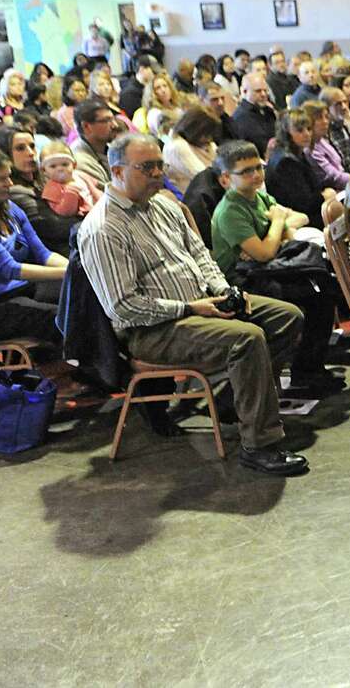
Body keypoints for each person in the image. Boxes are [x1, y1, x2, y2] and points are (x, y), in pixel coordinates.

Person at [78, 133, 308, 475]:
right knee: (246, 338)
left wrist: (224, 290)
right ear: (117, 171)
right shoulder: (103, 229)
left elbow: (200, 256)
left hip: (200, 304)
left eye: (160, 165)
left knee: (286, 316)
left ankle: (237, 402)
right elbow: (123, 307)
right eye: (148, 167)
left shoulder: (165, 206)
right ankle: (259, 445)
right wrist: (189, 309)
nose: (158, 173)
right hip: (153, 329)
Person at [209, 140, 339, 394]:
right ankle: (298, 372)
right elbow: (265, 251)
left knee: (325, 287)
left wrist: (277, 229)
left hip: (268, 268)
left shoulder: (258, 196)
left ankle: (309, 369)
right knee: (305, 299)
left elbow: (298, 218)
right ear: (226, 179)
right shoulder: (230, 211)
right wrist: (278, 221)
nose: (256, 174)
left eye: (258, 167)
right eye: (246, 171)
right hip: (241, 281)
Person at [0, 147, 68, 343]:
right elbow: (10, 269)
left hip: (18, 290)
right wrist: (70, 272)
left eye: (9, 177)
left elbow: (43, 254)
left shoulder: (10, 208)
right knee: (66, 317)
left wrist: (75, 269)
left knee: (83, 294)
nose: (9, 184)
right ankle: (103, 368)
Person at [0, 125, 81, 255]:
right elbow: (55, 227)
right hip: (56, 253)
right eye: (20, 148)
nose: (30, 153)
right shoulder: (13, 191)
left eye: (32, 146)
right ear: (5, 154)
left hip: (73, 243)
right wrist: (93, 218)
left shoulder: (46, 178)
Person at [266, 110, 335, 230]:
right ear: (287, 133)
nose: (307, 134)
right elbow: (304, 203)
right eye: (300, 130)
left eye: (309, 129)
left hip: (310, 213)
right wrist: (324, 196)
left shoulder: (295, 153)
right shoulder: (286, 162)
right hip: (301, 221)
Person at [163, 107, 220, 194]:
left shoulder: (206, 144)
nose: (209, 139)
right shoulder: (176, 146)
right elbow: (204, 176)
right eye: (206, 134)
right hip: (190, 197)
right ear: (193, 130)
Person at [39, 141, 103, 218]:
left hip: (100, 209)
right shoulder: (51, 188)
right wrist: (71, 192)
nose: (60, 169)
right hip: (81, 220)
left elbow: (96, 188)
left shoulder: (80, 176)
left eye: (65, 164)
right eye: (53, 166)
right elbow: (64, 212)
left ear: (74, 165)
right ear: (44, 171)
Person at [70, 98, 118, 186]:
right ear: (86, 126)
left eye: (113, 119)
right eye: (107, 120)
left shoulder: (109, 148)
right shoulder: (80, 161)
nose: (115, 125)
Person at [231, 72, 277, 157]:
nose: (263, 94)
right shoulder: (241, 117)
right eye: (258, 91)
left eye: (265, 90)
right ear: (245, 91)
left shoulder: (267, 111)